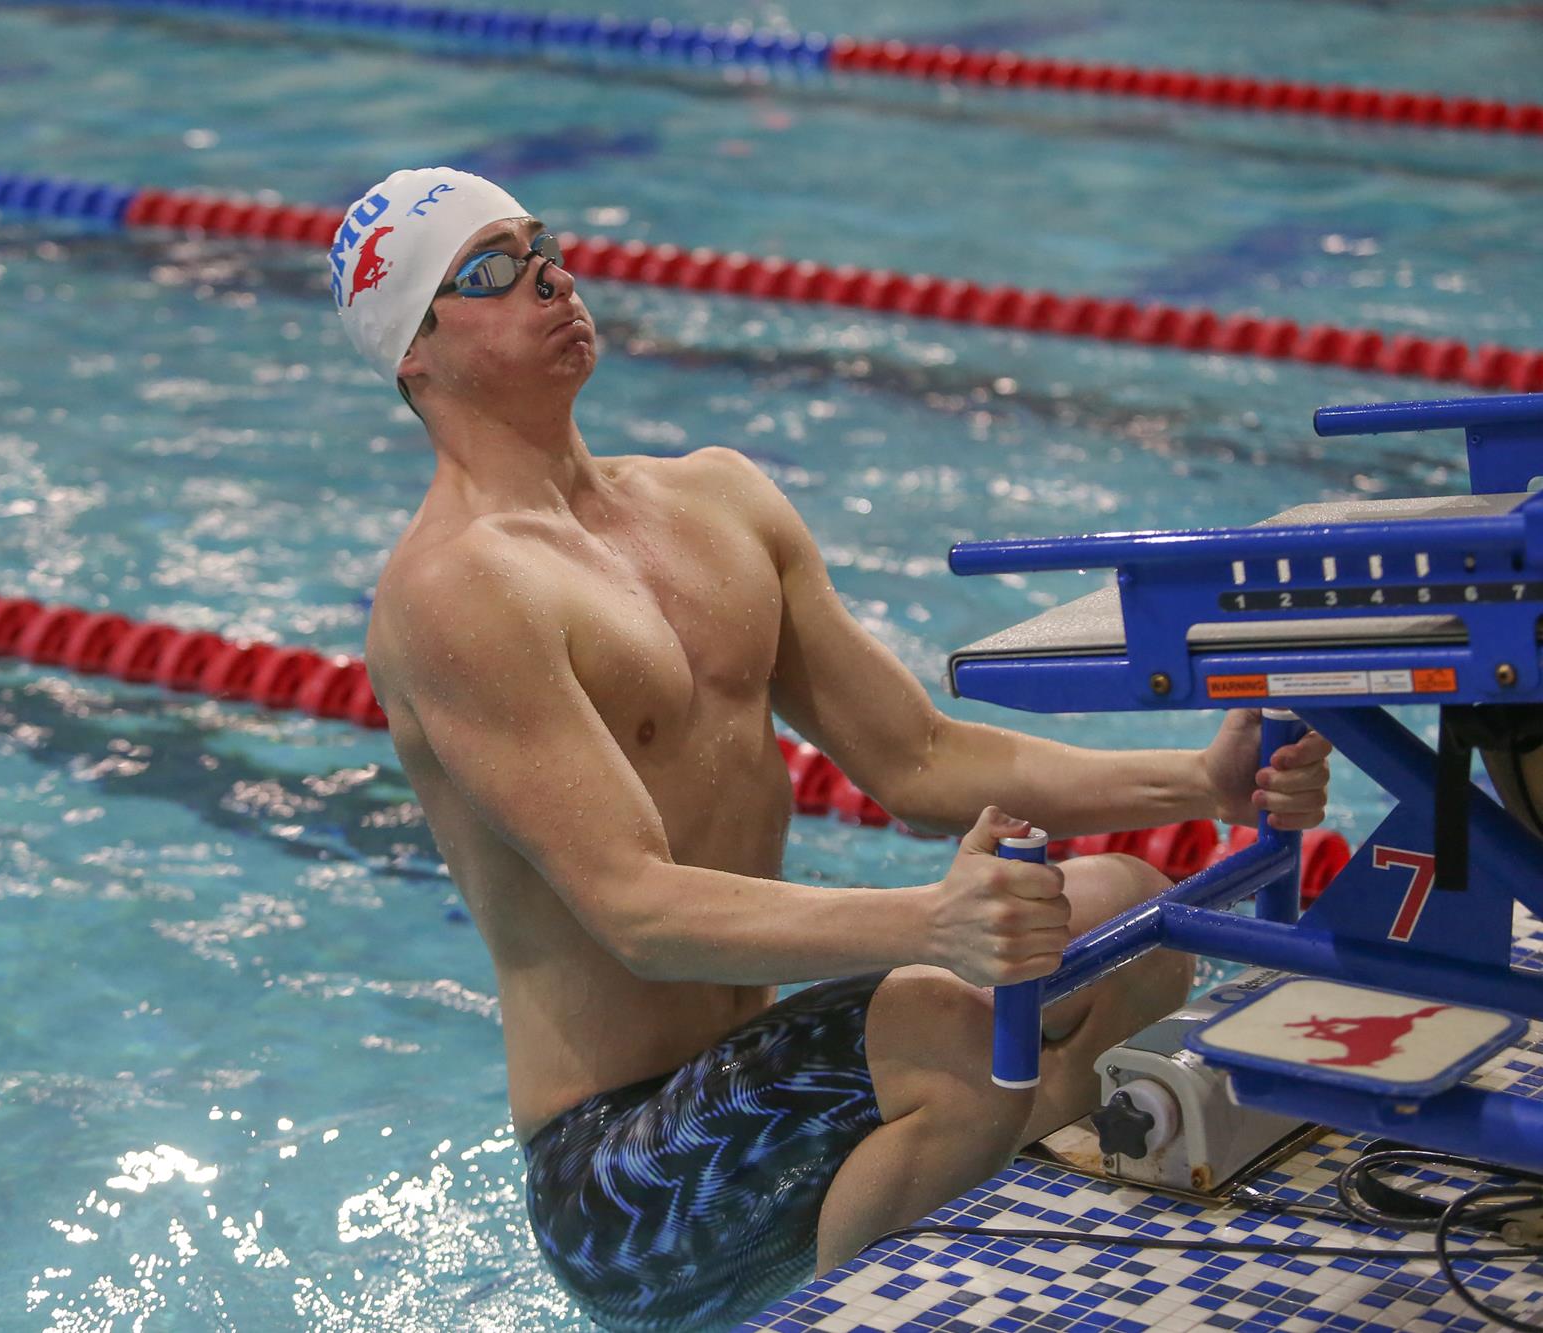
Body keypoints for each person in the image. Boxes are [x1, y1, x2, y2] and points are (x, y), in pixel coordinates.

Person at [333, 167, 1334, 1333]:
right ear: (413, 350)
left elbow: (914, 758)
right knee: (947, 1027)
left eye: (539, 245)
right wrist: (933, 923)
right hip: (623, 1176)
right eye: (488, 272)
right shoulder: (456, 590)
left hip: (774, 1065)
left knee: (1119, 917)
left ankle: (981, 1247)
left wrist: (1196, 782)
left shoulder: (713, 501)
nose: (548, 276)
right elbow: (635, 910)